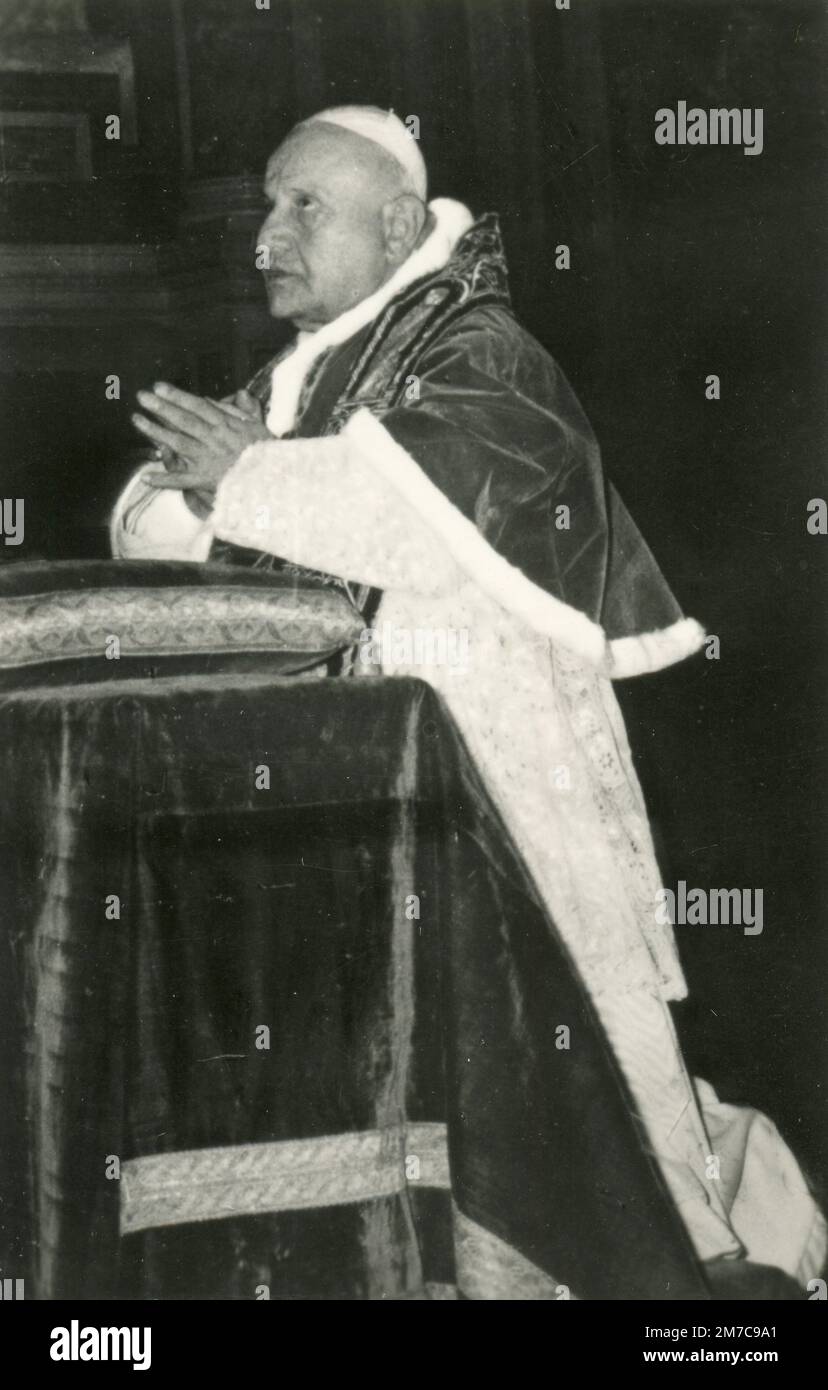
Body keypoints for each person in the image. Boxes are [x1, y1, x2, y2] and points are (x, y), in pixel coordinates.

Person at [111, 105, 825, 1291]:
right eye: (268, 205)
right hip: (352, 770)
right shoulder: (309, 367)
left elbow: (414, 516)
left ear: (399, 222)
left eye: (304, 208)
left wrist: (243, 478)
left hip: (495, 753)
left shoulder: (479, 351)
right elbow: (147, 515)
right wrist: (233, 480)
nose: (263, 238)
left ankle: (680, 1268)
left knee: (561, 1035)